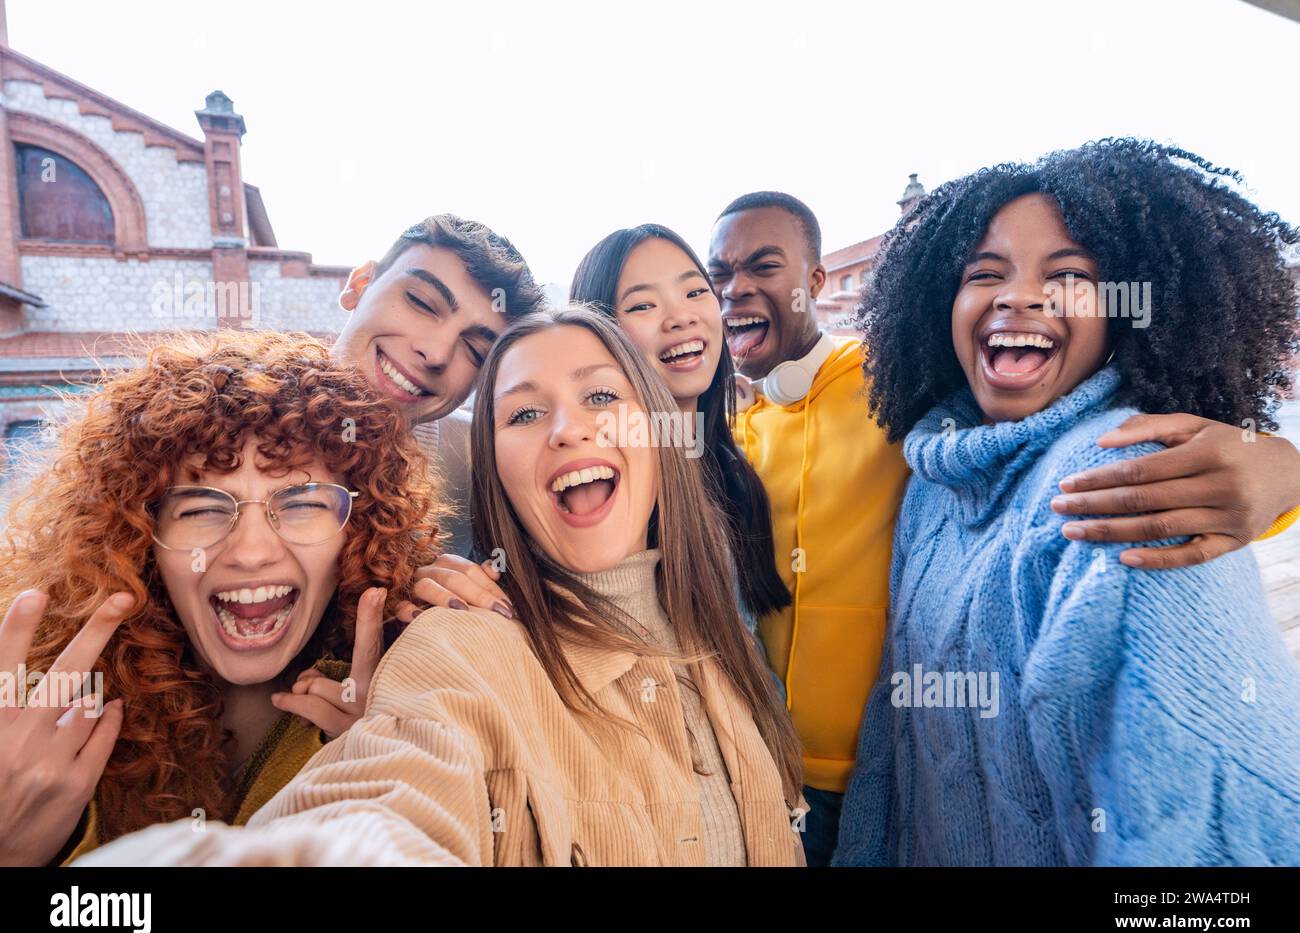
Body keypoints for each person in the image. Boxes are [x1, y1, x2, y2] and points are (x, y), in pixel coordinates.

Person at [74, 308, 806, 867]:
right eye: (523, 412)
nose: (566, 430)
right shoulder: (461, 647)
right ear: (496, 474)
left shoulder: (730, 649)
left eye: (600, 396)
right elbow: (389, 797)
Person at [708, 188, 1300, 865]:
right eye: (986, 274)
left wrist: (1281, 468)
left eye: (1068, 275)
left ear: (815, 282)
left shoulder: (890, 389)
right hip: (796, 779)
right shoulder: (780, 432)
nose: (1018, 297)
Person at [0, 332, 438, 865]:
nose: (251, 552)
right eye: (200, 509)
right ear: (138, 540)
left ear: (361, 534)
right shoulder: (26, 724)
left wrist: (390, 764)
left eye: (301, 503)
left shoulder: (421, 703)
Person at [570, 223, 789, 630]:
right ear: (598, 334)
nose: (680, 318)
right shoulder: (595, 481)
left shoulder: (729, 463)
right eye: (642, 306)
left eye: (694, 292)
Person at [332, 213, 547, 557]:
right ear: (359, 284)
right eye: (421, 303)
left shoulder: (482, 463)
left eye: (475, 350)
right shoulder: (225, 419)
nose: (436, 353)